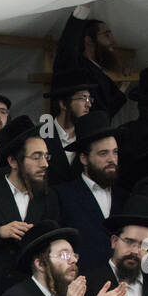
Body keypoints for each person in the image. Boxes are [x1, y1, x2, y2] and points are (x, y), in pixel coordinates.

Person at [0, 116, 63, 273]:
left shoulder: (49, 197)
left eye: (46, 156)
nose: (45, 164)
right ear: (13, 162)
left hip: (34, 283)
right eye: (36, 157)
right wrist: (0, 231)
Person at [55, 111, 126, 270]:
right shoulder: (62, 195)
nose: (112, 159)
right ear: (84, 159)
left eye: (115, 152)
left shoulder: (125, 196)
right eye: (103, 153)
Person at [53, 6, 127, 118]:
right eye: (107, 35)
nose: (113, 41)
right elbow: (67, 47)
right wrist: (83, 9)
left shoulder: (99, 71)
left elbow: (107, 110)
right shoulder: (76, 66)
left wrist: (125, 84)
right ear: (89, 40)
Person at [42, 70, 97, 187]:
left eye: (89, 99)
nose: (89, 105)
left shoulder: (90, 137)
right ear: (63, 104)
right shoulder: (41, 136)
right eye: (83, 98)